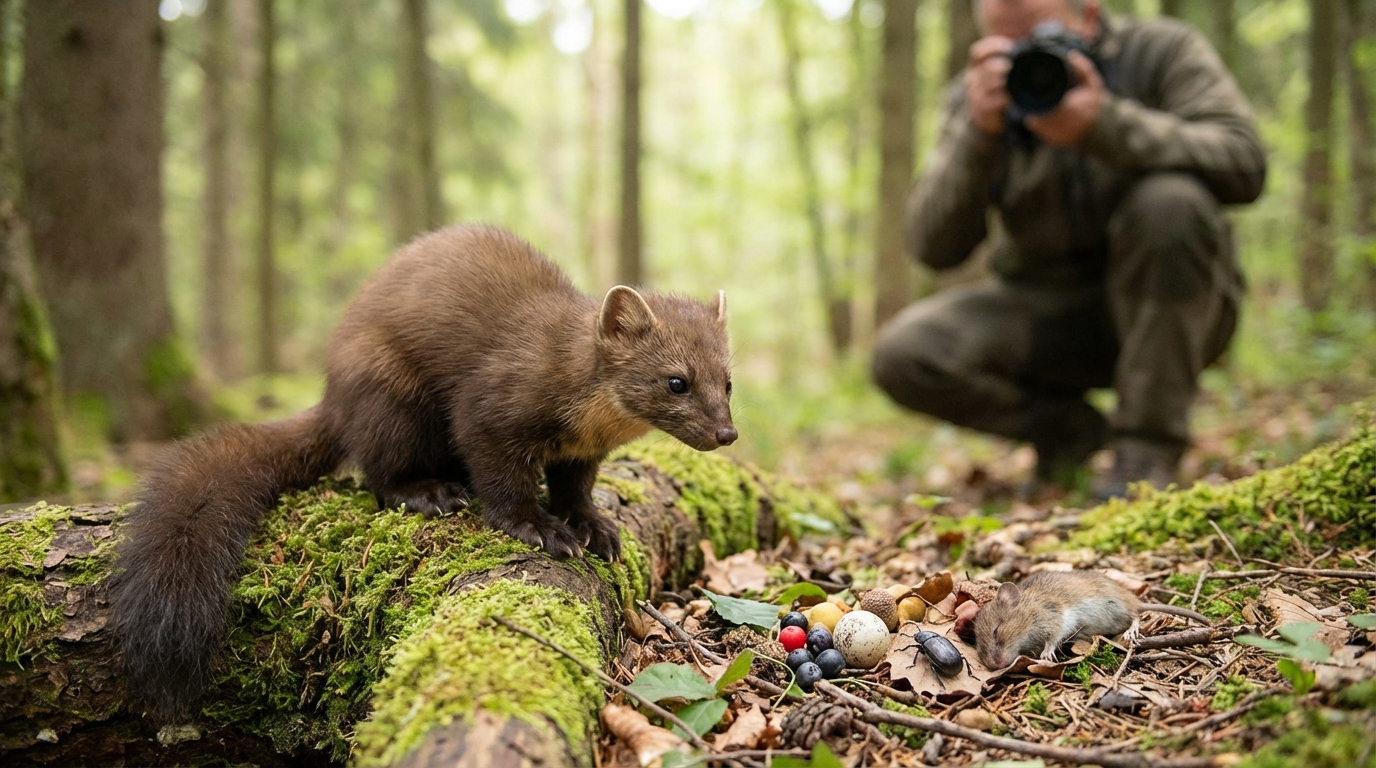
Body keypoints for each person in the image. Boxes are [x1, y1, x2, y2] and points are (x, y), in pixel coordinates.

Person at [871, 0, 1266, 499]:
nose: (1027, 63)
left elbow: (1244, 160)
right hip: (1048, 316)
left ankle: (1147, 451)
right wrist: (979, 135)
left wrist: (1104, 125)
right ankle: (1070, 433)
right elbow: (932, 245)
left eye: (1044, 40)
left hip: (1175, 306)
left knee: (1172, 202)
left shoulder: (1160, 51)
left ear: (1091, 17)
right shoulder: (975, 100)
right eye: (1007, 49)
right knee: (905, 353)